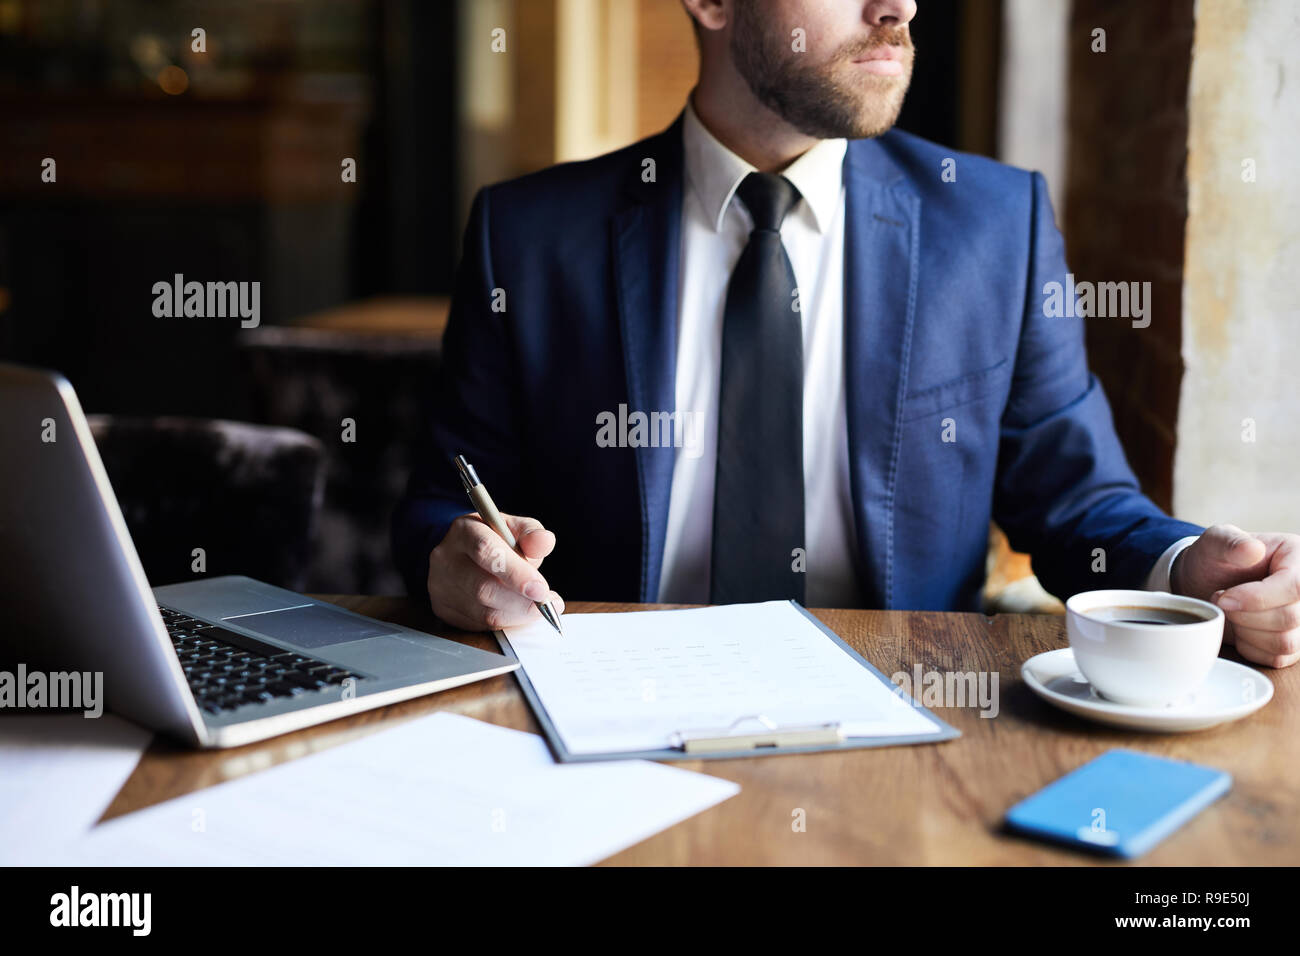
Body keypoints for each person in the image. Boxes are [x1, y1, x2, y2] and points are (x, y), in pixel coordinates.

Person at [393, 0, 1300, 668]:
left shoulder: (992, 226)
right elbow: (443, 500)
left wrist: (1191, 575)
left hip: (908, 707)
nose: (898, 7)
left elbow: (1076, 508)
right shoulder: (530, 234)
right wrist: (453, 560)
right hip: (600, 703)